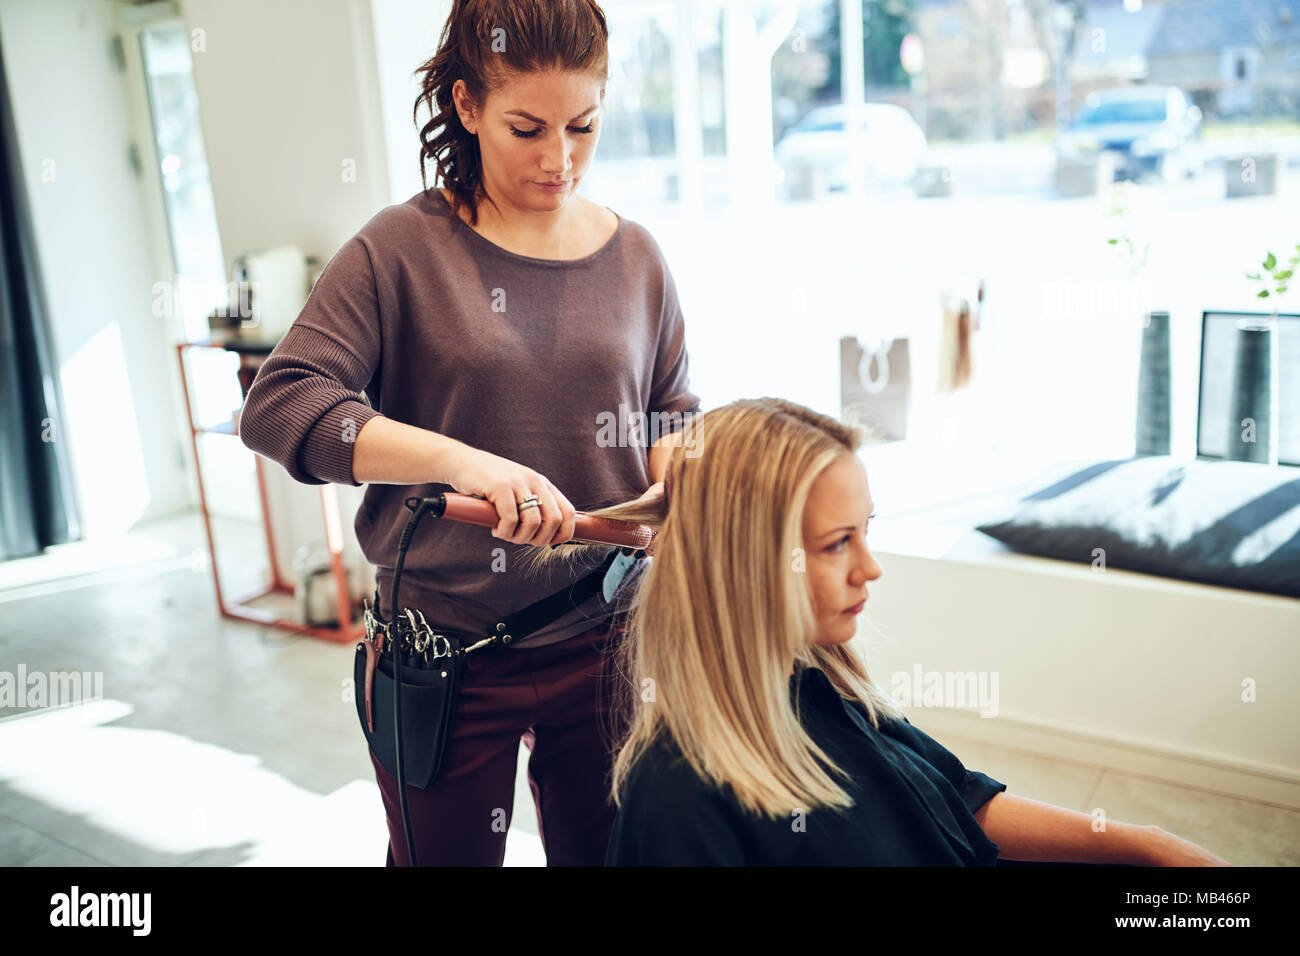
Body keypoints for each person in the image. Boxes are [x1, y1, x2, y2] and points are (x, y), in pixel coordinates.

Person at [238, 0, 701, 866]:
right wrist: (466, 466)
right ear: (467, 104)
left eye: (583, 126)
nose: (559, 158)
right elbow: (281, 404)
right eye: (527, 127)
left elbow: (674, 401)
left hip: (609, 636)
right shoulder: (400, 251)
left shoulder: (636, 255)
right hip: (446, 652)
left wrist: (679, 456)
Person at [525, 398, 1231, 866]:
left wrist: (1146, 845)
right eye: (838, 545)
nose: (871, 570)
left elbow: (958, 799)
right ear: (748, 563)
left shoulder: (816, 686)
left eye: (867, 533)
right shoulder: (680, 802)